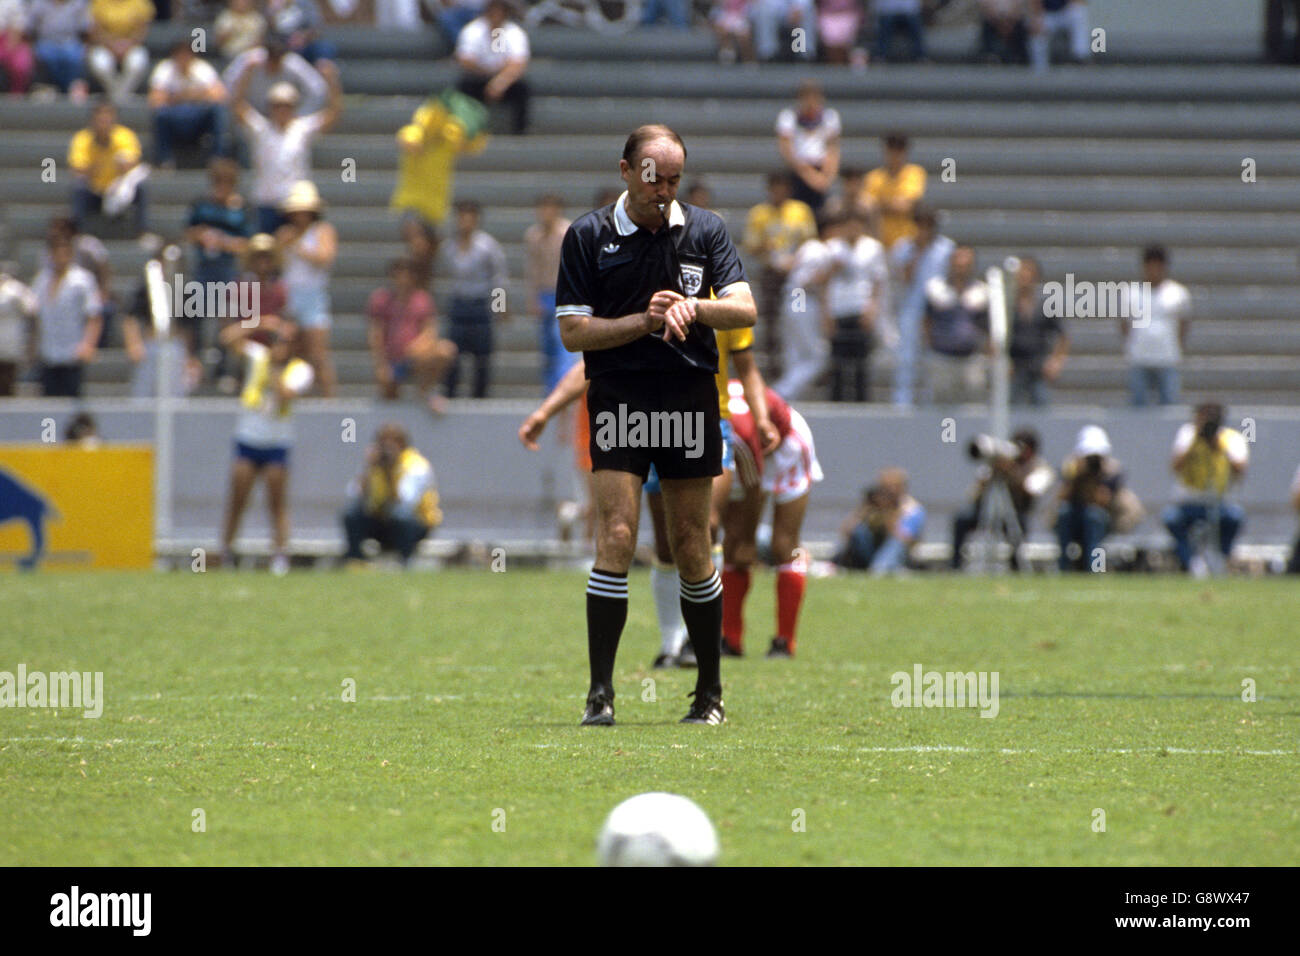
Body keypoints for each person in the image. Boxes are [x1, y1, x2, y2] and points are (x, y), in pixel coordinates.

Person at [554, 124, 757, 726]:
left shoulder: (706, 229)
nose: (664, 191)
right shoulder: (588, 236)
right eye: (653, 179)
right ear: (625, 171)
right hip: (619, 398)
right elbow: (572, 332)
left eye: (673, 180)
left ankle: (710, 694)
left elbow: (744, 308)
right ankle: (599, 694)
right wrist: (643, 322)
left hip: (689, 397)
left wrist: (697, 308)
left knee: (694, 543)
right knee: (615, 536)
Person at [720, 381, 821, 657]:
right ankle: (730, 639)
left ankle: (784, 641)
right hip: (744, 454)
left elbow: (753, 481)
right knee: (734, 548)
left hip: (784, 448)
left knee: (783, 544)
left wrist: (747, 538)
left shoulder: (736, 428)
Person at [219, 312, 314, 575]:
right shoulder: (258, 356)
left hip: (276, 443)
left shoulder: (300, 370)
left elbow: (284, 396)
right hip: (248, 438)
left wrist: (275, 367)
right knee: (237, 498)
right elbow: (227, 338)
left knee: (276, 502)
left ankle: (280, 555)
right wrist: (258, 324)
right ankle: (227, 551)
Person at [233, 59, 341, 235]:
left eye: (286, 106)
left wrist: (332, 82)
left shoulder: (303, 129)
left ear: (294, 107)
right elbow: (237, 106)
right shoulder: (261, 129)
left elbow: (333, 113)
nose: (282, 110)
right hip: (265, 201)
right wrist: (246, 75)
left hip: (295, 205)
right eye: (277, 106)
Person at [185, 158, 253, 381]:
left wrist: (225, 242)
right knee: (193, 313)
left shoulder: (242, 209)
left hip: (229, 271)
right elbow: (188, 233)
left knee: (228, 318)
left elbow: (249, 245)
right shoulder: (201, 205)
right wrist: (202, 235)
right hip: (204, 271)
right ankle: (193, 361)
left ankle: (225, 367)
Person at [742, 170, 816, 376]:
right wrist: (765, 248)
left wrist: (795, 261)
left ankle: (799, 360)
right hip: (771, 275)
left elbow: (810, 242)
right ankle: (776, 365)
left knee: (797, 313)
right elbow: (750, 246)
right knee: (772, 320)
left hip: (796, 276)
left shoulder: (800, 211)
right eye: (775, 189)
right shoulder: (760, 214)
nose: (778, 193)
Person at [1162, 403, 1248, 576]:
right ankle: (1191, 562)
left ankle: (1219, 559)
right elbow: (1176, 466)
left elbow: (1240, 469)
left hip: (1219, 502)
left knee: (1235, 517)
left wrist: (1220, 446)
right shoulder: (1187, 434)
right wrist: (1195, 441)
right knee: (1171, 518)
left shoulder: (1231, 438)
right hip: (1190, 501)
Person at [950, 428, 1054, 570]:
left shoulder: (1040, 468)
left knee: (1018, 527)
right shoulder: (993, 466)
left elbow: (1031, 491)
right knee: (961, 519)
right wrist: (992, 474)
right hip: (988, 512)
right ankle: (955, 565)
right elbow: (972, 496)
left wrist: (1012, 473)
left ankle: (1016, 567)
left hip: (1016, 514)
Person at [390, 90, 489, 238]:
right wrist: (427, 133)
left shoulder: (450, 137)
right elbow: (410, 143)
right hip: (412, 204)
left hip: (437, 207)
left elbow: (476, 146)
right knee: (417, 244)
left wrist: (472, 122)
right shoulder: (413, 131)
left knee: (432, 253)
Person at [342, 424, 442, 566]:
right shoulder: (375, 465)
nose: (386, 451)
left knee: (400, 515)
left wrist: (390, 473)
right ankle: (356, 561)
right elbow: (353, 493)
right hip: (382, 521)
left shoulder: (416, 466)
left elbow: (406, 501)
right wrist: (368, 468)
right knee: (352, 513)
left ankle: (406, 561)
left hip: (414, 525)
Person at [367, 257, 457, 413]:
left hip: (415, 358)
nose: (403, 280)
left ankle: (423, 392)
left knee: (445, 350)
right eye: (399, 275)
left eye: (407, 275)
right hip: (392, 360)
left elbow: (430, 331)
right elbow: (376, 334)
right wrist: (380, 364)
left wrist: (416, 347)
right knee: (388, 394)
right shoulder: (381, 300)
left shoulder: (423, 300)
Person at [440, 199, 507, 398]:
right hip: (459, 303)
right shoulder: (449, 247)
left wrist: (499, 307)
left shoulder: (487, 246)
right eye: (462, 218)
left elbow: (499, 278)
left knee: (482, 357)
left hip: (480, 304)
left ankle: (480, 397)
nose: (465, 222)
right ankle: (450, 394)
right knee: (452, 354)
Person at [276, 179, 337, 396]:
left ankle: (330, 402)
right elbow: (277, 264)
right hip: (290, 295)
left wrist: (297, 246)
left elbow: (325, 257)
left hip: (313, 296)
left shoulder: (322, 230)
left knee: (318, 354)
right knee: (290, 353)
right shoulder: (284, 233)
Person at [889, 206, 953, 406]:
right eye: (920, 225)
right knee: (906, 356)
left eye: (928, 226)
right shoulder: (903, 248)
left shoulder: (947, 248)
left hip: (937, 311)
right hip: (910, 308)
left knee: (932, 357)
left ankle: (929, 400)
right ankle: (902, 401)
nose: (924, 230)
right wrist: (917, 252)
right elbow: (905, 279)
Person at [823, 210, 887, 402]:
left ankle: (862, 404)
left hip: (861, 309)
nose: (852, 229)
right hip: (838, 309)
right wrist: (826, 314)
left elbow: (878, 281)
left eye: (856, 224)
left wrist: (872, 310)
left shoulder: (873, 248)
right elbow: (823, 283)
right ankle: (836, 404)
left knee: (861, 364)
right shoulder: (831, 248)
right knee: (838, 364)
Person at [31, 231, 102, 397]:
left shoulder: (82, 280)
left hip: (72, 352)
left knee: (71, 401)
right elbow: (35, 315)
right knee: (49, 405)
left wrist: (88, 344)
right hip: (48, 351)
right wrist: (33, 345)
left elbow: (94, 316)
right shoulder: (42, 280)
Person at [772, 213, 834, 400]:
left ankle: (786, 400)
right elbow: (810, 280)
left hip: (792, 297)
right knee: (818, 357)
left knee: (795, 355)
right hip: (801, 299)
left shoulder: (808, 246)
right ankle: (780, 392)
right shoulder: (823, 250)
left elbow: (787, 266)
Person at [121, 241, 193, 396]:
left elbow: (187, 329)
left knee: (175, 397)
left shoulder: (187, 290)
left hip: (175, 347)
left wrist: (189, 358)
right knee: (143, 396)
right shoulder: (147, 288)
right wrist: (133, 344)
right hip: (150, 346)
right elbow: (130, 317)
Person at [67, 99, 148, 236]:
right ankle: (78, 234)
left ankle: (142, 232)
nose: (104, 123)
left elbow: (133, 161)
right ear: (93, 120)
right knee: (78, 189)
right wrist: (101, 166)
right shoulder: (82, 139)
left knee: (141, 188)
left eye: (107, 118)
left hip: (118, 189)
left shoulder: (125, 136)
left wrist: (121, 166)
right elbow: (77, 168)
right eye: (100, 119)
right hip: (95, 190)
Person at [1122, 245, 1189, 408]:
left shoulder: (1177, 293)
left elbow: (1184, 323)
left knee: (1170, 407)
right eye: (1150, 265)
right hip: (1139, 358)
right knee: (1138, 408)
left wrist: (1176, 345)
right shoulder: (1130, 292)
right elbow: (1124, 324)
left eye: (1158, 265)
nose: (1154, 270)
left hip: (1167, 358)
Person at [147, 39, 230, 169]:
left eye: (186, 54)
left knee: (216, 111)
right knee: (160, 115)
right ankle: (165, 160)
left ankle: (217, 158)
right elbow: (155, 100)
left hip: (197, 119)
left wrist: (178, 96)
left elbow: (219, 95)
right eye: (180, 54)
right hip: (174, 119)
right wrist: (194, 95)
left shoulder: (202, 68)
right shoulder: (164, 69)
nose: (183, 58)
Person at [923, 245, 988, 404]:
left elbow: (986, 325)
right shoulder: (936, 288)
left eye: (966, 264)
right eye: (958, 263)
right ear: (950, 263)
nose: (961, 267)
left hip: (971, 358)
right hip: (942, 357)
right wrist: (930, 344)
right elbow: (926, 321)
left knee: (974, 405)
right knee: (942, 407)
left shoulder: (981, 291)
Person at [1054, 425, 1123, 572]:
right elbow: (1061, 497)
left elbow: (1103, 500)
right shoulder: (1071, 467)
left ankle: (1097, 568)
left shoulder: (1111, 469)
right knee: (1064, 513)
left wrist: (1095, 479)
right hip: (1074, 514)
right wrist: (1077, 476)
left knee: (1094, 516)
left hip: (1101, 516)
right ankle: (1062, 567)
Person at [455, 0, 529, 134]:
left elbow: (518, 62)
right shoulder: (473, 31)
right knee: (463, 88)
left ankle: (520, 132)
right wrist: (486, 72)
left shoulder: (514, 33)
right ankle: (465, 131)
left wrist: (500, 82)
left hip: (504, 80)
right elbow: (465, 59)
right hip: (478, 77)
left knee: (522, 89)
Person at [524, 193, 574, 393]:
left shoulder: (567, 232)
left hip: (562, 293)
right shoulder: (533, 236)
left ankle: (564, 386)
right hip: (544, 293)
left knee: (560, 339)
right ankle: (550, 388)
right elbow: (532, 269)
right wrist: (532, 298)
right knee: (546, 345)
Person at [834, 467, 925, 575]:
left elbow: (906, 539)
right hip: (870, 550)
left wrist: (889, 514)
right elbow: (846, 532)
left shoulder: (911, 509)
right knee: (860, 531)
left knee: (895, 543)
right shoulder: (872, 506)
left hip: (897, 553)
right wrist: (863, 511)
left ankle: (881, 568)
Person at [1007, 255, 1068, 406]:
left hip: (1038, 369)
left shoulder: (1045, 306)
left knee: (1042, 412)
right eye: (1022, 272)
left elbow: (1063, 335)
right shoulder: (1007, 305)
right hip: (1014, 369)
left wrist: (1055, 362)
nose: (1024, 277)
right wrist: (1002, 363)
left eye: (1029, 272)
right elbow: (994, 336)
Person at [222, 32, 327, 116]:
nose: (274, 64)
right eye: (272, 59)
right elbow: (227, 85)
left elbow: (317, 89)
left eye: (277, 60)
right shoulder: (249, 61)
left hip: (284, 118)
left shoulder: (292, 63)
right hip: (250, 117)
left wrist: (300, 114)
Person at [775, 80, 840, 214]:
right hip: (797, 175)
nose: (811, 103)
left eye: (814, 98)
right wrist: (809, 175)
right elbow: (787, 151)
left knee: (823, 215)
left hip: (821, 173)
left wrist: (826, 178)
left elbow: (833, 149)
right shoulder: (788, 117)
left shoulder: (830, 117)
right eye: (806, 98)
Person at [861, 133, 926, 251]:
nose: (895, 154)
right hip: (879, 241)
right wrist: (892, 203)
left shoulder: (915, 173)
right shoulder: (873, 177)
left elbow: (906, 206)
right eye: (892, 149)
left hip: (907, 241)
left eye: (899, 150)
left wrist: (879, 204)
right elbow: (867, 207)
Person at [85, 0, 152, 104]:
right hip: (105, 45)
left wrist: (128, 44)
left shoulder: (139, 2)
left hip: (131, 45)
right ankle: (122, 98)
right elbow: (95, 30)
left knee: (137, 62)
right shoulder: (99, 2)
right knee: (100, 64)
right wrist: (111, 44)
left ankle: (114, 99)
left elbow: (142, 30)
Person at [28, 0, 91, 100]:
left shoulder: (78, 4)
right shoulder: (38, 3)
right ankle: (51, 89)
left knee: (74, 56)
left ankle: (71, 90)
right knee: (44, 55)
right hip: (45, 41)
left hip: (70, 41)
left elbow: (84, 30)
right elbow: (30, 29)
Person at [0, 262, 37, 396]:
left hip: (10, 351)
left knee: (7, 389)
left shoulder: (16, 290)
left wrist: (31, 346)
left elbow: (32, 310)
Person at [265, 0, 336, 65]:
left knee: (324, 49)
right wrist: (273, 12)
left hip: (306, 45)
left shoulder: (305, 3)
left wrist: (303, 36)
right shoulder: (272, 5)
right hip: (281, 46)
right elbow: (269, 30)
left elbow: (316, 27)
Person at [1029, 0, 1089, 71]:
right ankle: (1040, 67)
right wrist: (1036, 18)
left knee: (1079, 13)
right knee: (1036, 28)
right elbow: (1034, 3)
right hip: (1046, 14)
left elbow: (1079, 2)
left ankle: (1080, 57)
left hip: (1064, 12)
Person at [0, 0, 35, 94]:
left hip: (10, 39)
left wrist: (11, 42)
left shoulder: (12, 2)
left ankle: (16, 95)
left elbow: (18, 24)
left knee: (21, 63)